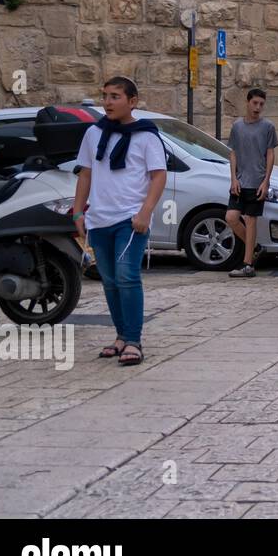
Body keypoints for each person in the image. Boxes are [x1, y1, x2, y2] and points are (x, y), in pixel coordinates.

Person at [74, 76, 167, 367]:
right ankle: (120, 336)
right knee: (110, 281)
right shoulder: (93, 133)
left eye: (115, 96)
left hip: (130, 219)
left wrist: (145, 212)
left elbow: (158, 176)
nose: (107, 102)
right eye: (105, 96)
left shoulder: (147, 135)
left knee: (127, 277)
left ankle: (134, 341)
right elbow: (86, 173)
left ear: (132, 101)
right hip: (99, 218)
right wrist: (78, 211)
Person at [226, 88, 278, 278]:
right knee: (231, 217)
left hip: (257, 180)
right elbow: (233, 152)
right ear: (248, 102)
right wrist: (233, 178)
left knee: (250, 219)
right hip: (240, 180)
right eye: (255, 103)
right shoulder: (237, 126)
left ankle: (248, 264)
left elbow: (270, 153)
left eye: (261, 104)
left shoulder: (268, 127)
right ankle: (254, 247)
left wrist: (266, 181)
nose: (258, 107)